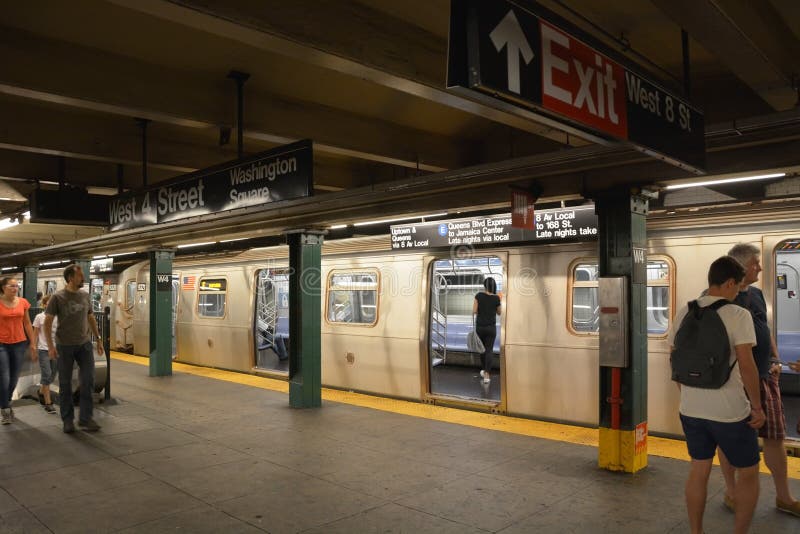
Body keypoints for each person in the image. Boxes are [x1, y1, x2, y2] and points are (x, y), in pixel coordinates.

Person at [668, 256, 764, 534]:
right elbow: (747, 365)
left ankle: (696, 532)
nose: (739, 293)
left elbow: (673, 359)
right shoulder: (737, 315)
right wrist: (756, 408)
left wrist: (686, 392)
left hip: (690, 409)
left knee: (699, 469)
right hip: (730, 412)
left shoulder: (684, 311)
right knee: (747, 472)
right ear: (730, 283)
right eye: (739, 287)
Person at [717, 244, 800, 516]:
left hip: (766, 376)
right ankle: (731, 492)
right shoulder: (724, 298)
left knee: (775, 437)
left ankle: (784, 496)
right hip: (736, 381)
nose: (760, 268)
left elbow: (765, 330)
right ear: (740, 268)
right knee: (732, 439)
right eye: (755, 263)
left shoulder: (756, 294)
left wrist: (775, 359)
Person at [44, 264, 103, 434]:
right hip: (64, 346)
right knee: (65, 384)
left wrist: (98, 339)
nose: (83, 278)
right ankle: (68, 420)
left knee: (88, 381)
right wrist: (50, 346)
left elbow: (90, 317)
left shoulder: (85, 295)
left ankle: (85, 418)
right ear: (70, 278)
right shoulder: (58, 297)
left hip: (84, 345)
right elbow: (47, 323)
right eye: (80, 276)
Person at [0, 277, 36, 424]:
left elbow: (27, 323)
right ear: (3, 287)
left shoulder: (23, 302)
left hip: (19, 344)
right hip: (1, 344)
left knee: (14, 378)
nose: (15, 288)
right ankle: (5, 410)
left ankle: (6, 401)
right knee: (4, 378)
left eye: (17, 286)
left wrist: (33, 343)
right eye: (12, 286)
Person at [32, 294, 58, 413]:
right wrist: (33, 347)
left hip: (56, 350)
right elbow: (35, 333)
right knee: (47, 374)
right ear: (44, 304)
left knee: (52, 376)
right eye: (49, 302)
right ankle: (48, 403)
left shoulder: (59, 317)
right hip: (43, 349)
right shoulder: (39, 317)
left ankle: (41, 392)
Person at [472, 277, 501, 384]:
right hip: (491, 328)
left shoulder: (478, 296)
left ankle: (484, 371)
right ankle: (487, 375)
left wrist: (482, 310)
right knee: (489, 350)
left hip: (480, 327)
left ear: (485, 286)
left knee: (482, 349)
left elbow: (474, 311)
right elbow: (499, 312)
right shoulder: (496, 298)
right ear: (494, 286)